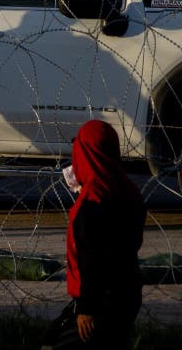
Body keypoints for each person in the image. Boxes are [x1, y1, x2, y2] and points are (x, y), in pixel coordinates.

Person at [43, 120, 146, 349]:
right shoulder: (128, 190)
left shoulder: (93, 199)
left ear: (86, 153)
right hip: (127, 292)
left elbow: (92, 258)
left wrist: (87, 309)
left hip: (101, 300)